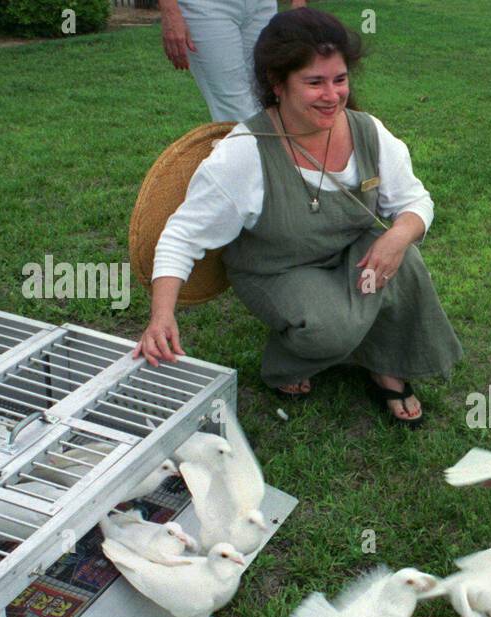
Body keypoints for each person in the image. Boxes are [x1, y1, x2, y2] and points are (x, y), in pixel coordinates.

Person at [135, 7, 463, 428]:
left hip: (345, 251)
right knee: (331, 329)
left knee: (407, 264)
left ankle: (384, 363)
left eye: (339, 79)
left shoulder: (368, 131)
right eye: (314, 82)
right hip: (275, 268)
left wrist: (399, 235)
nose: (332, 95)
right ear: (278, 84)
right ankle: (285, 362)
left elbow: (416, 202)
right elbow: (181, 235)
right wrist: (162, 315)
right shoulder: (243, 153)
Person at [158, 0, 308, 124]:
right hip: (206, 7)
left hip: (262, 5)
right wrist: (170, 11)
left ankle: (271, 157)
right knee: (235, 110)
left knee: (270, 96)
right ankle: (262, 157)